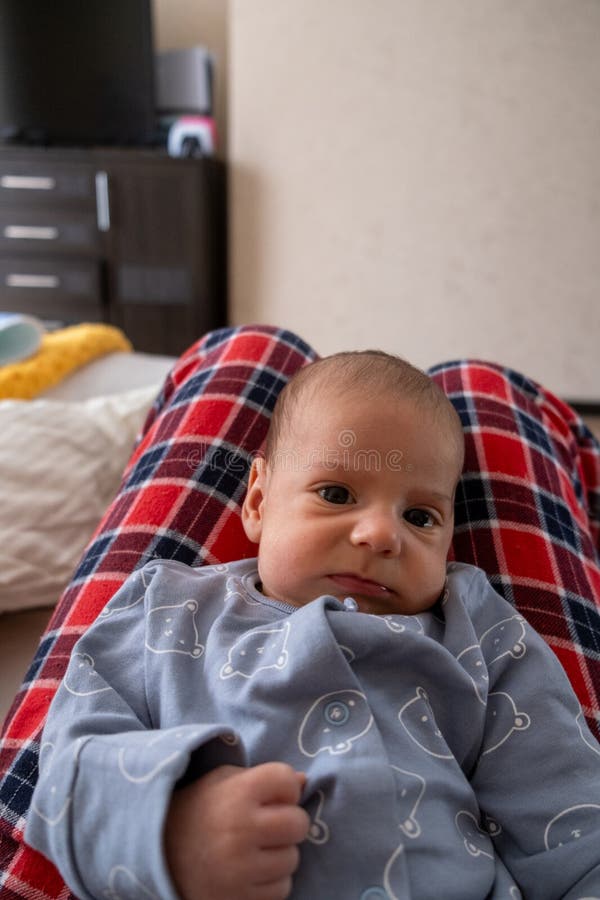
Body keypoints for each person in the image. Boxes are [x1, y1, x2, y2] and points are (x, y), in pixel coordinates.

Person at [23, 349, 600, 900]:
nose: (381, 534)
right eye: (336, 492)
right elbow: (63, 771)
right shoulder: (168, 607)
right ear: (257, 502)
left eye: (420, 516)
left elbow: (569, 815)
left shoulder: (480, 631)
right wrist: (168, 829)